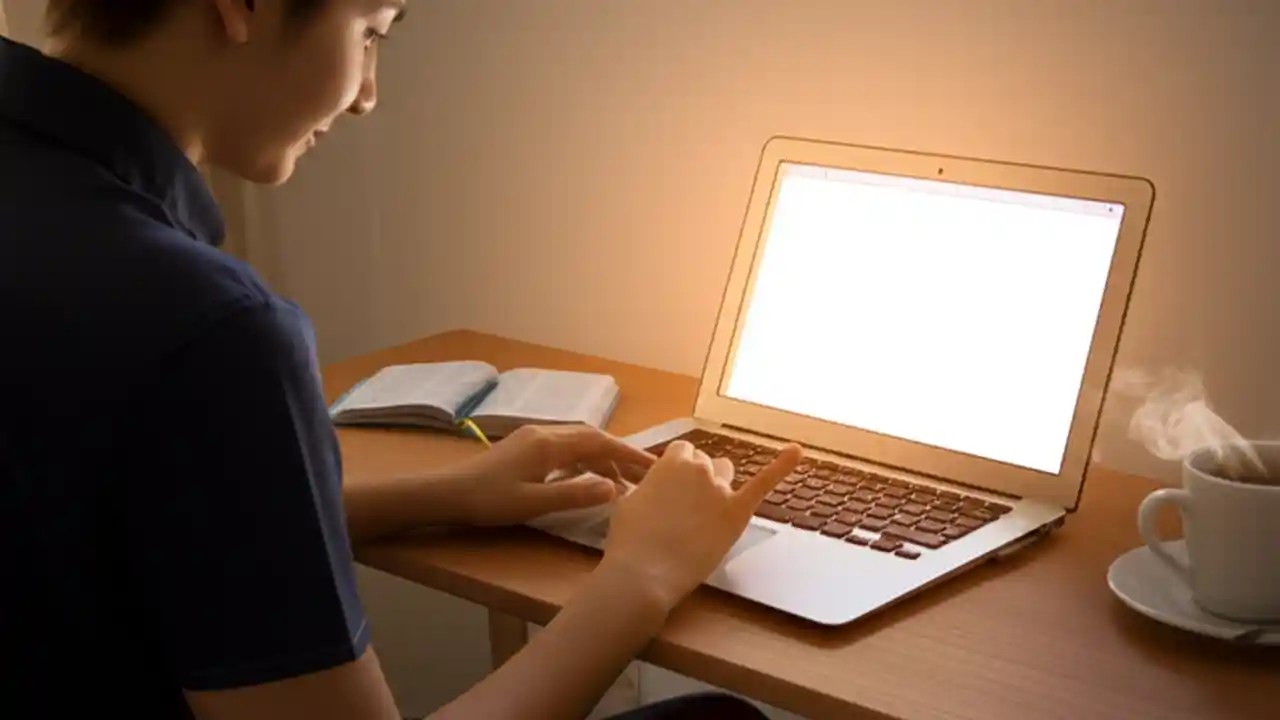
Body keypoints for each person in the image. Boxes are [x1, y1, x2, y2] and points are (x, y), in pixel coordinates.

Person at [0, 2, 804, 719]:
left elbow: (95, 530)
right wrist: (644, 575)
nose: (367, 93)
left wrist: (445, 494)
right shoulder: (207, 330)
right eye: (370, 32)